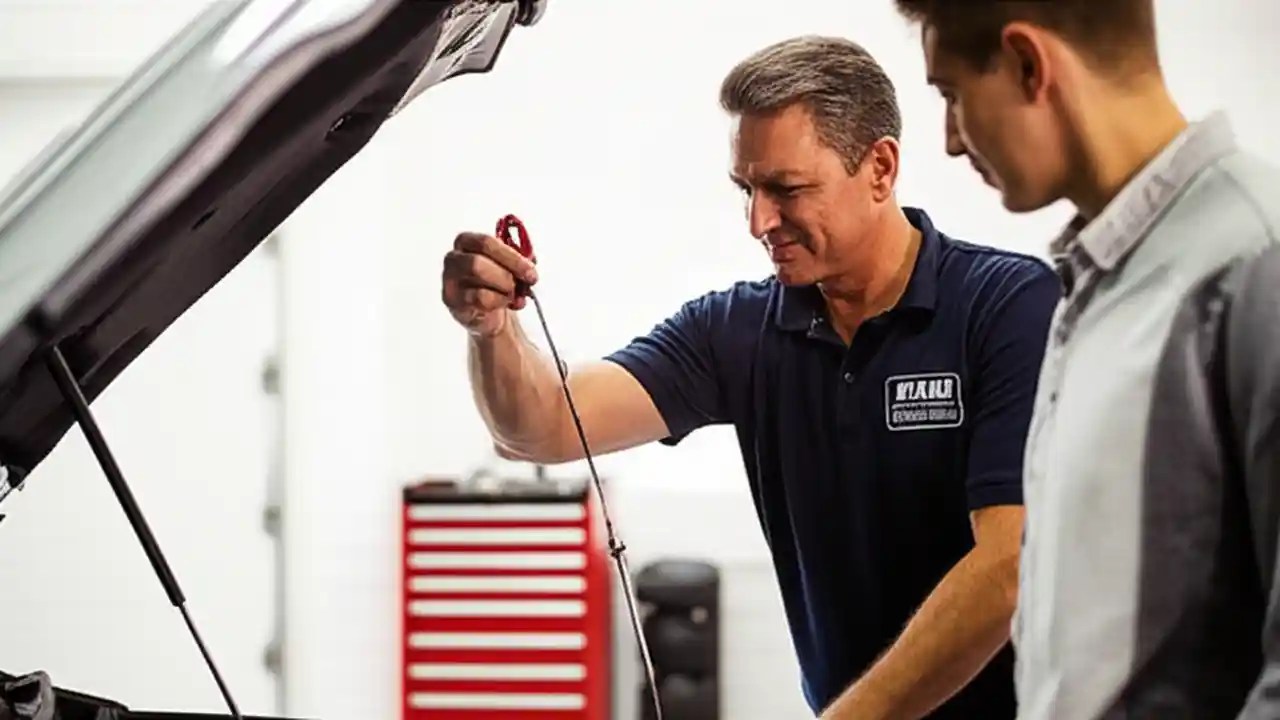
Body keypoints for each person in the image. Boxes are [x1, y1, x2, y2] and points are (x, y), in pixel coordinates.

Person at [440, 36, 1059, 719]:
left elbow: (1010, 563)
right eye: (747, 189)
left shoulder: (1006, 307)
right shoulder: (738, 331)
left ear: (879, 169)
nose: (759, 221)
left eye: (786, 190)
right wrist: (491, 330)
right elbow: (545, 427)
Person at [893, 1, 1280, 717]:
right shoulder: (1095, 281)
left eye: (950, 95)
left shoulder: (1257, 263)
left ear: (1028, 65)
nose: (949, 140)